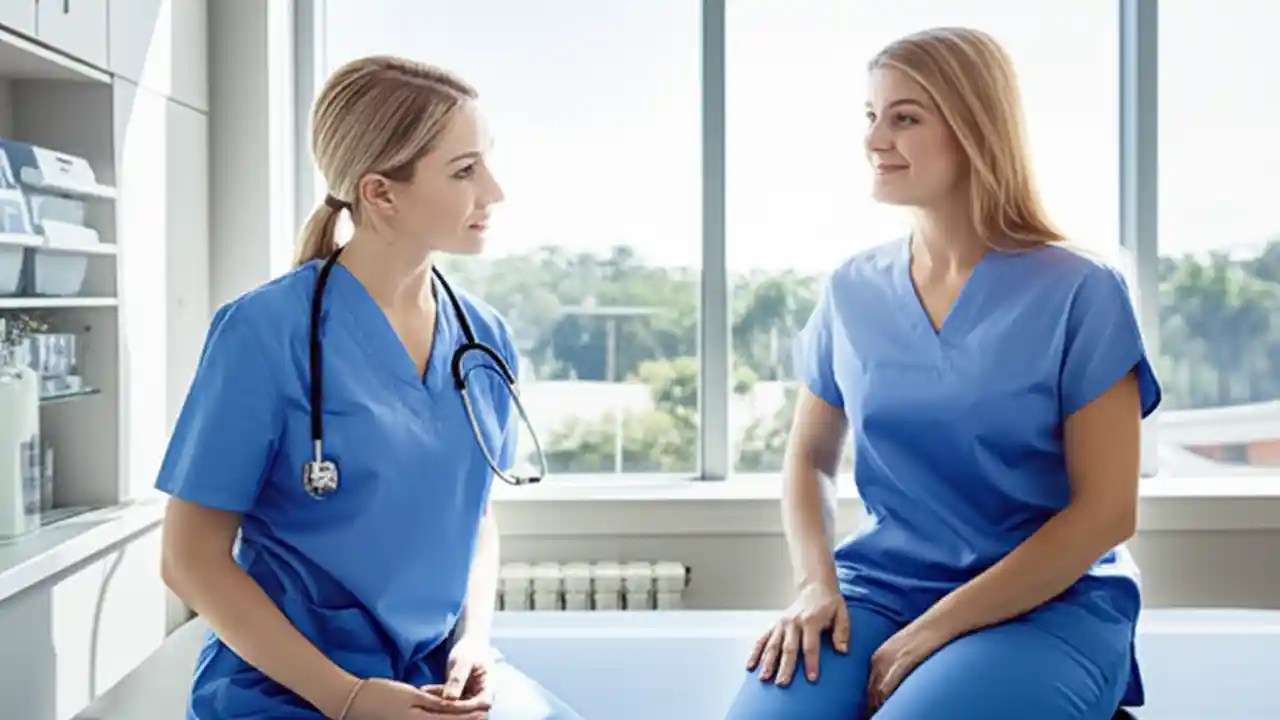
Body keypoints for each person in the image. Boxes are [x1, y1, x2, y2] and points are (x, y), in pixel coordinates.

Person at [726, 26, 1160, 720]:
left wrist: (935, 630)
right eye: (871, 116)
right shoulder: (852, 288)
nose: (874, 140)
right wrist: (815, 583)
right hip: (880, 590)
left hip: (1046, 603)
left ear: (975, 127)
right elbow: (809, 458)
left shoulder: (1081, 291)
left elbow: (1106, 512)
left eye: (904, 118)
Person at [156, 55, 582, 720]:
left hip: (431, 681)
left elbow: (474, 520)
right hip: (286, 688)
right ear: (381, 193)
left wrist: (474, 641)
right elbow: (189, 559)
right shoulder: (264, 333)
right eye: (465, 170)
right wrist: (347, 697)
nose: (494, 191)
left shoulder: (484, 338)